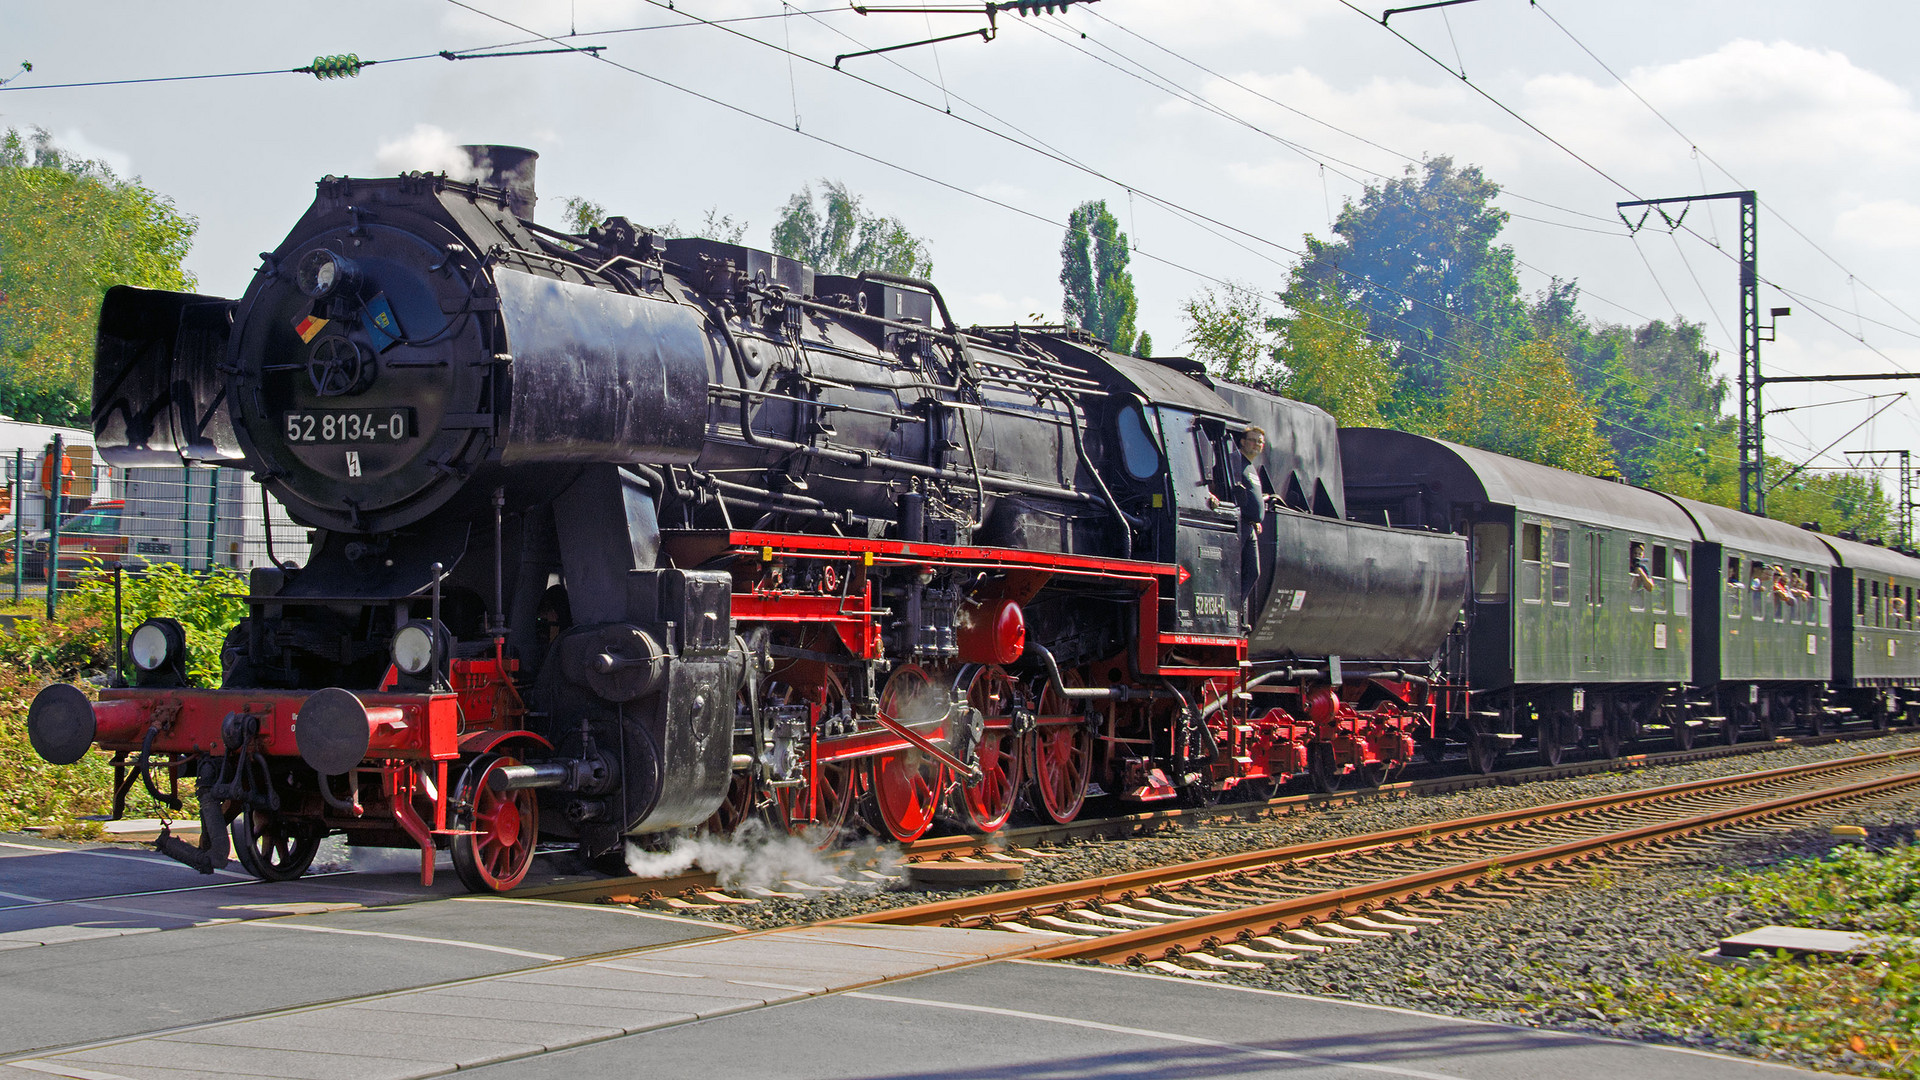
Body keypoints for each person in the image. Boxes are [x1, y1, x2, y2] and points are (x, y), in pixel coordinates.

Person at [1210, 427, 1279, 627]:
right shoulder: (1232, 461)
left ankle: (1232, 610)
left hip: (1250, 526)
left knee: (1253, 571)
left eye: (1260, 442)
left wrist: (1256, 518)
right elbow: (1216, 480)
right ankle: (1223, 613)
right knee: (1230, 570)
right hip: (1236, 523)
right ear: (1242, 442)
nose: (1257, 444)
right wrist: (1212, 495)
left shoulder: (1250, 467)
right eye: (1253, 440)